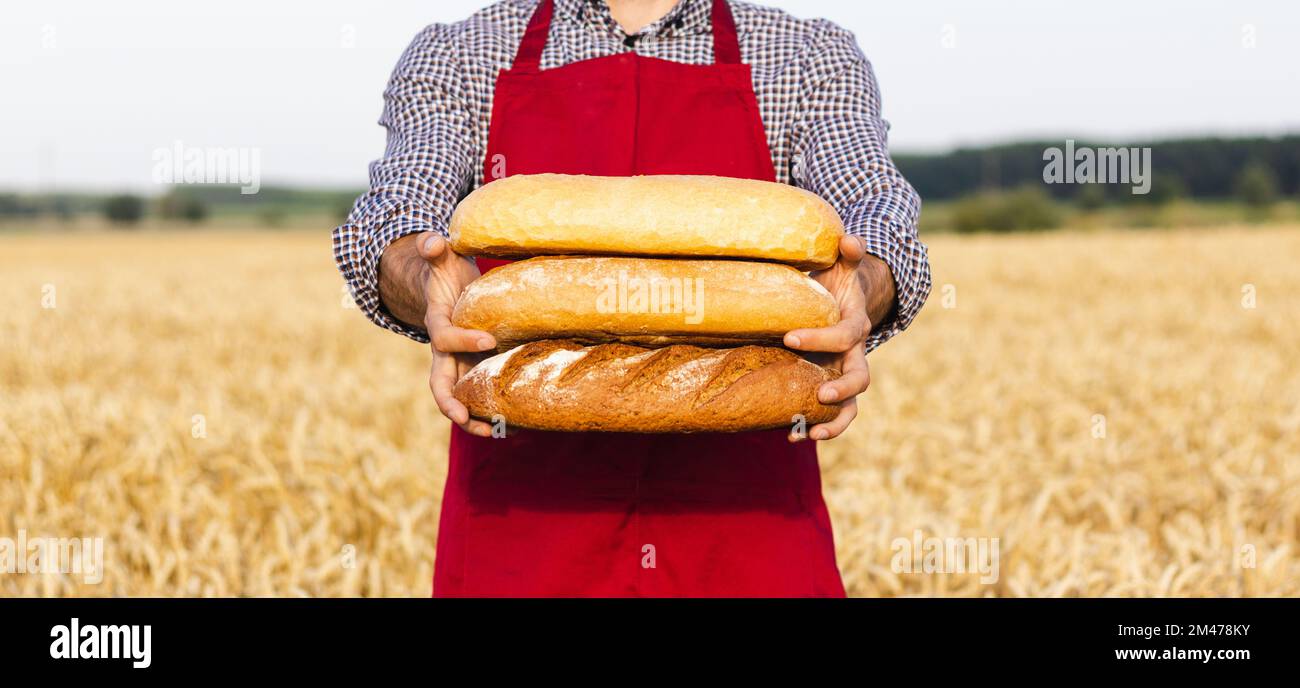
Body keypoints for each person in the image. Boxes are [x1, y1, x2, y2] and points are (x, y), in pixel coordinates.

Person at [333, 0, 931, 597]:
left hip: (750, 531)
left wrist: (861, 289)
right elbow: (399, 213)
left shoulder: (808, 54)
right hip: (521, 531)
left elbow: (874, 210)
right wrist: (427, 281)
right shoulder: (460, 52)